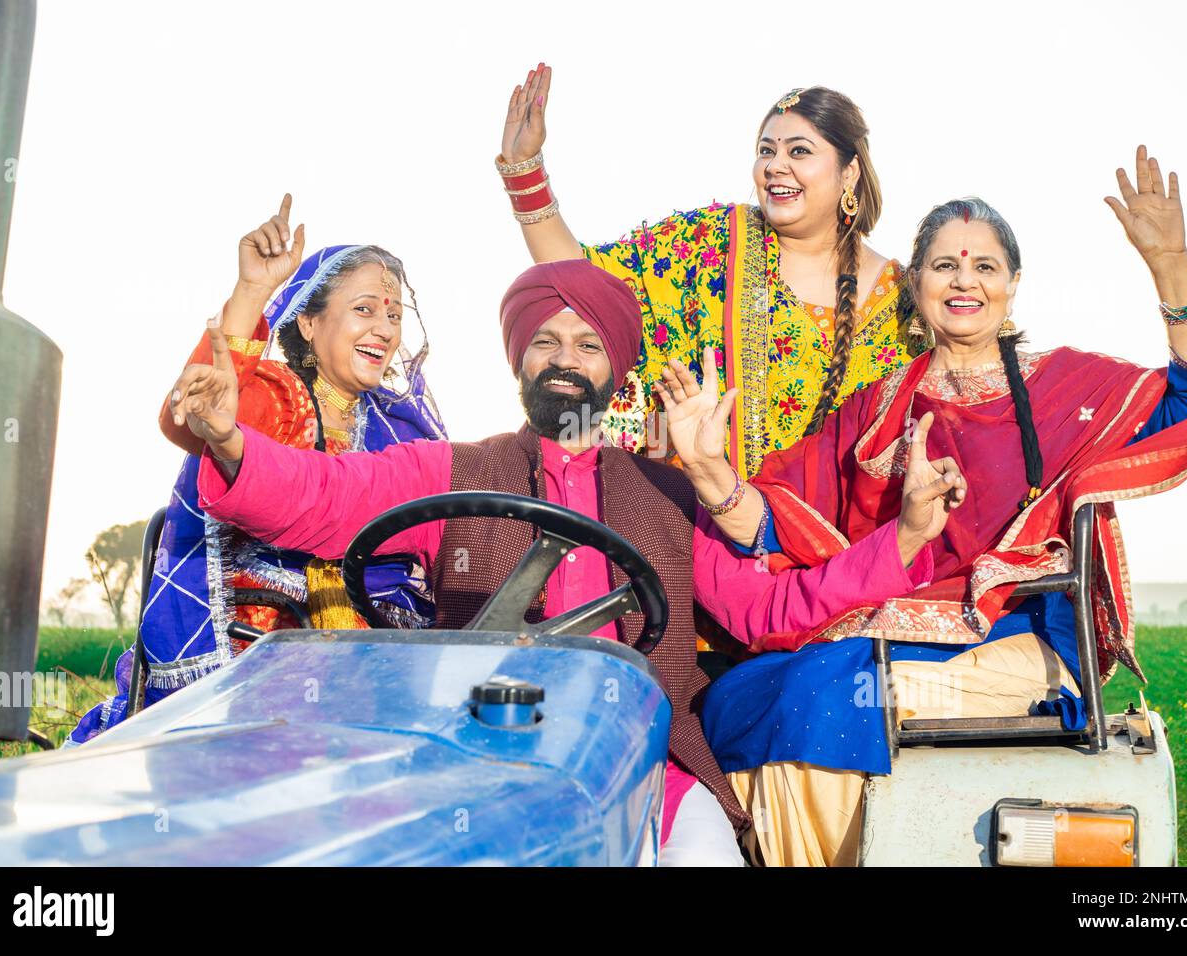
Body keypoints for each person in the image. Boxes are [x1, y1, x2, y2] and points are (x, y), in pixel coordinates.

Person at [168, 258, 958, 865]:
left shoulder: (669, 495)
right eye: (545, 340)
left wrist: (910, 538)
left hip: (651, 765)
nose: (564, 358)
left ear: (614, 369)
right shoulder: (453, 470)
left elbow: (770, 610)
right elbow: (321, 495)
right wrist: (232, 440)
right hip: (482, 757)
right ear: (519, 361)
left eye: (586, 343)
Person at [656, 147, 1187, 865]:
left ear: (1013, 286)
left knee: (828, 691)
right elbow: (775, 520)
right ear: (917, 283)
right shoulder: (876, 409)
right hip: (878, 634)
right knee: (744, 695)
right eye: (945, 265)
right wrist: (710, 472)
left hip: (1015, 640)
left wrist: (1170, 264)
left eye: (985, 267)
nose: (965, 281)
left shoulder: (1066, 390)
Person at [67, 197, 445, 745]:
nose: (384, 328)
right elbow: (196, 421)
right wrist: (251, 291)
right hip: (258, 631)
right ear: (310, 324)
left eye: (393, 314)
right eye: (364, 309)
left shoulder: (403, 426)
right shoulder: (277, 395)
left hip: (381, 638)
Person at [497, 64, 922, 476]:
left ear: (849, 172)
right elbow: (586, 283)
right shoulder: (713, 243)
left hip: (856, 542)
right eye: (766, 151)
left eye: (799, 151)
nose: (775, 166)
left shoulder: (910, 300)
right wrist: (526, 169)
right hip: (699, 528)